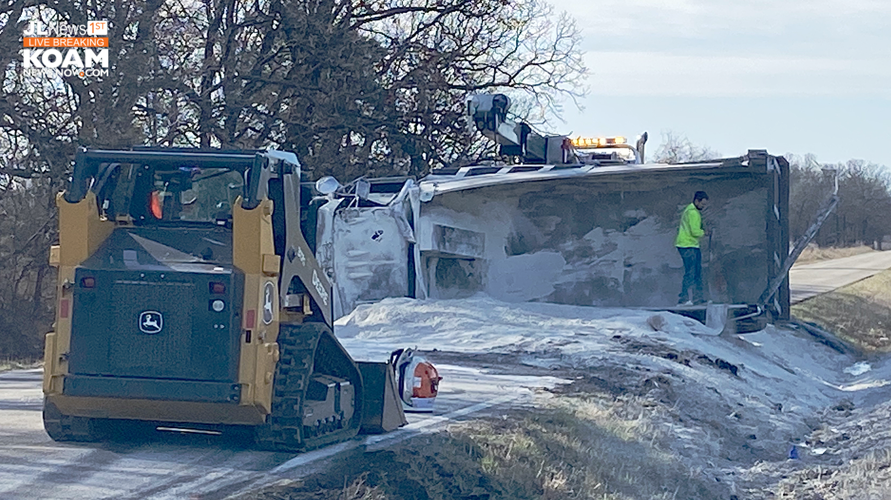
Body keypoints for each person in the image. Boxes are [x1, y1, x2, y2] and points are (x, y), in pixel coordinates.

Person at [676, 191, 709, 305]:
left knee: (695, 272)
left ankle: (695, 298)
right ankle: (685, 298)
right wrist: (705, 232)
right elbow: (694, 232)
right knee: (692, 272)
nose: (703, 207)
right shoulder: (693, 213)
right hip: (688, 245)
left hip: (689, 245)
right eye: (702, 204)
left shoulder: (690, 211)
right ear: (696, 201)